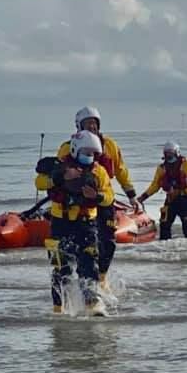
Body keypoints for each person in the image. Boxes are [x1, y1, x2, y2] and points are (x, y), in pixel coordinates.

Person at [56, 106, 138, 291]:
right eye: (88, 123)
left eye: (94, 123)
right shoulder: (67, 148)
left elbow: (120, 170)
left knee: (108, 241)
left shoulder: (110, 146)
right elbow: (57, 172)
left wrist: (131, 195)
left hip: (102, 198)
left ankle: (101, 276)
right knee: (81, 245)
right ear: (79, 126)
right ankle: (78, 279)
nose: (92, 127)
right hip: (79, 203)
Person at [35, 130, 114, 316]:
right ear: (75, 150)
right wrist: (60, 177)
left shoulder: (98, 172)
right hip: (60, 223)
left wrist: (97, 196)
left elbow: (109, 197)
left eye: (93, 153)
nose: (90, 156)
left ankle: (92, 304)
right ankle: (58, 309)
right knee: (60, 268)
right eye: (86, 152)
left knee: (89, 264)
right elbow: (39, 182)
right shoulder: (59, 167)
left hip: (86, 224)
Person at [137, 141, 187, 240]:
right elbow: (155, 185)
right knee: (164, 224)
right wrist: (143, 197)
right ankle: (165, 248)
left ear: (176, 152)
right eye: (166, 153)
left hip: (185, 199)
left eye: (170, 153)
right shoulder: (162, 168)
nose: (168, 155)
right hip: (170, 200)